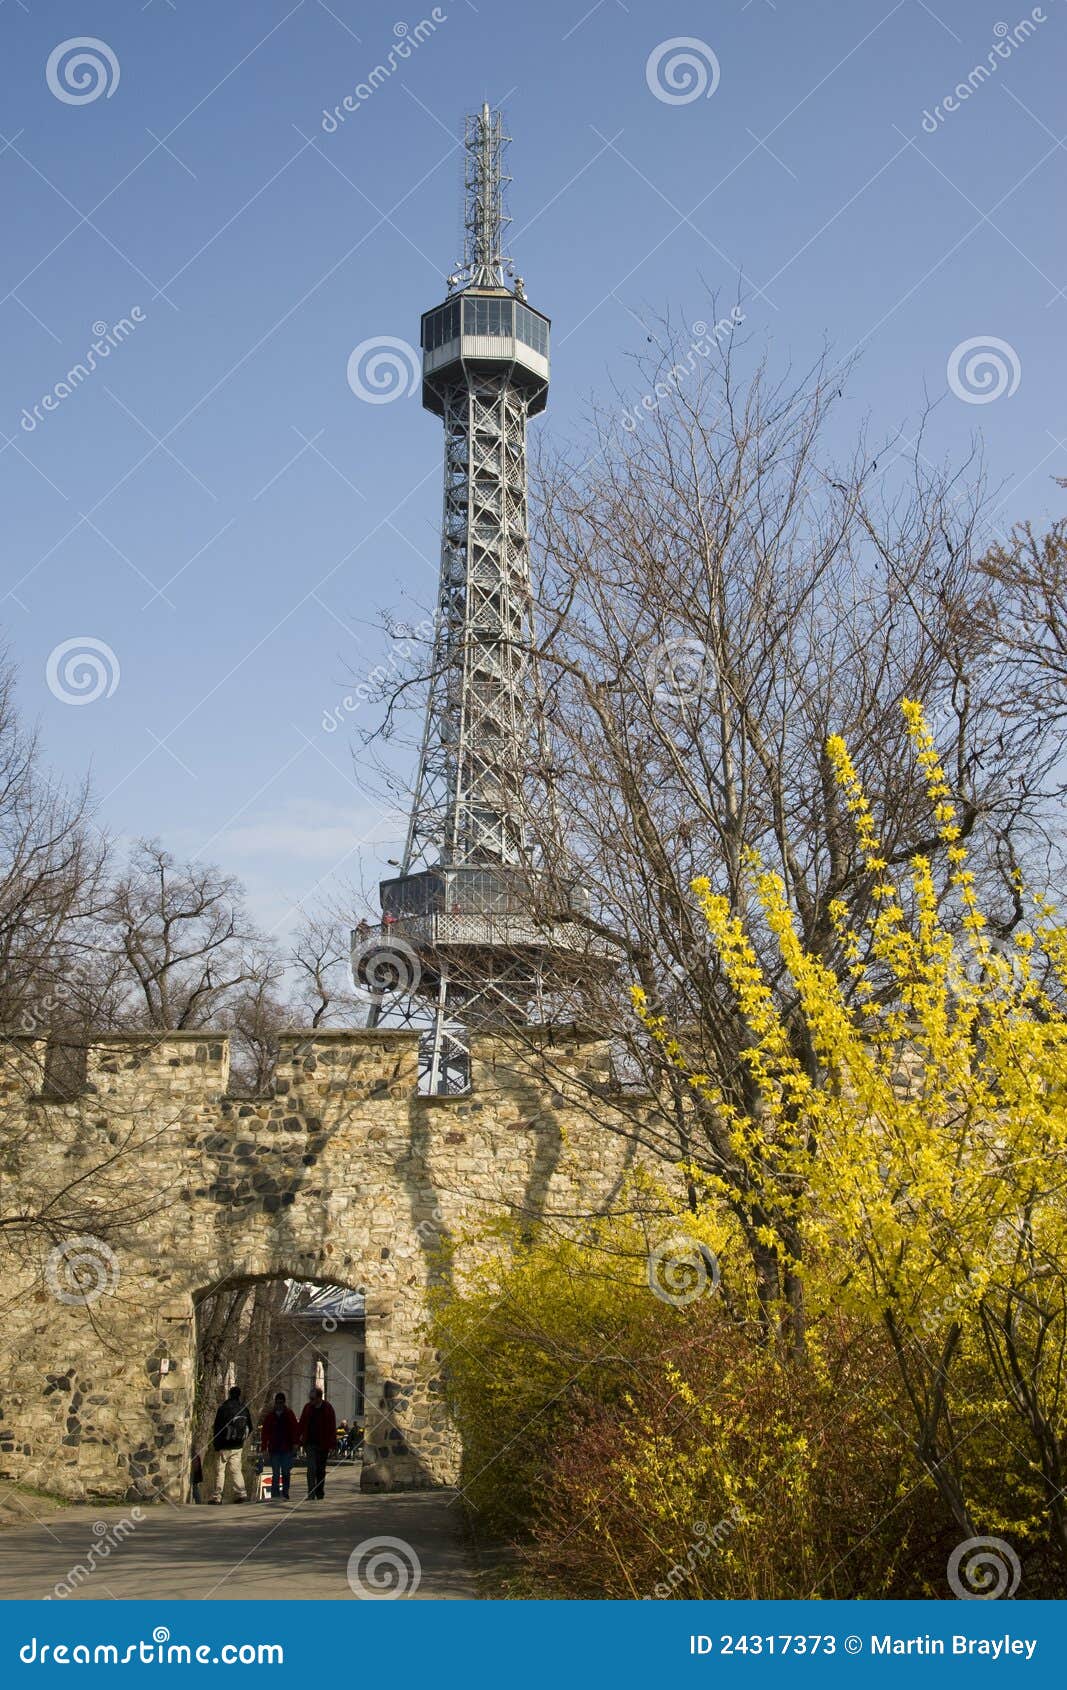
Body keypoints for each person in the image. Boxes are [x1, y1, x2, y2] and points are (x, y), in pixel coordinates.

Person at [210, 1385, 252, 1503]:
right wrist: (241, 1439)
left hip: (224, 1445)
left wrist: (216, 1444)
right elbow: (250, 1427)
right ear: (239, 1395)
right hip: (238, 1445)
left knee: (220, 1471)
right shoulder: (244, 1408)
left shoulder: (223, 1408)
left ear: (230, 1394)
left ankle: (217, 1496)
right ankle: (241, 1494)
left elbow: (217, 1427)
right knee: (236, 1470)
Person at [297, 1387, 337, 1500]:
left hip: (323, 1444)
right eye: (310, 1398)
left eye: (313, 1398)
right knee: (311, 1468)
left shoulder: (328, 1408)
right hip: (310, 1443)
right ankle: (311, 1493)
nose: (311, 1401)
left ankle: (320, 1492)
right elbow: (302, 1424)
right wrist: (297, 1440)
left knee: (320, 1470)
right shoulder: (307, 1408)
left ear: (319, 1398)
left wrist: (333, 1444)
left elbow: (332, 1427)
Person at [260, 1392, 300, 1502]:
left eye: (281, 1403)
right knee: (276, 1473)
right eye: (277, 1403)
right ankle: (275, 1494)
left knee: (286, 1472)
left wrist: (295, 1444)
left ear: (284, 1403)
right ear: (275, 1403)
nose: (279, 1405)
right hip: (274, 1448)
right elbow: (265, 1433)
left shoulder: (289, 1414)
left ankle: (285, 1493)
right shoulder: (270, 1416)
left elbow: (295, 1430)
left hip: (286, 1448)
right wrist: (264, 1449)